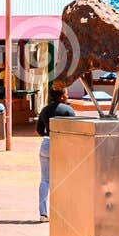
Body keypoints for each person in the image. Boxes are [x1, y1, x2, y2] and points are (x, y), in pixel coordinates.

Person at [35, 89, 74, 221]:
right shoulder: (68, 111)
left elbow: (39, 130)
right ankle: (63, 211)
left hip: (46, 144)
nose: (68, 96)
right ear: (62, 97)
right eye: (67, 94)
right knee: (65, 178)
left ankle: (43, 214)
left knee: (45, 179)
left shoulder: (45, 110)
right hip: (62, 145)